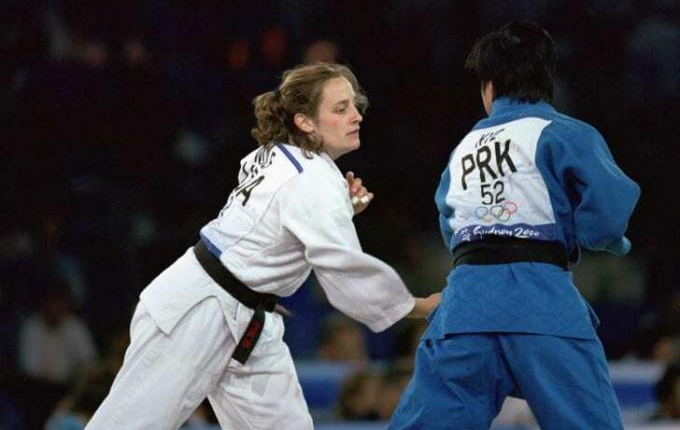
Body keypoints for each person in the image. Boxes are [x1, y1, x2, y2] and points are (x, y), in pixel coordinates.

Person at [85, 62, 439, 430]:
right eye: (340, 109)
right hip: (200, 311)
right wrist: (414, 307)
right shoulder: (314, 180)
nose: (356, 116)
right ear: (304, 121)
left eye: (355, 105)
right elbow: (341, 267)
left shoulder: (278, 153)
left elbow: (275, 224)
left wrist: (339, 209)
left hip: (247, 319)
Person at [389, 21, 640, 430]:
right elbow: (609, 211)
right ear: (546, 81)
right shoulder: (562, 132)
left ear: (488, 87)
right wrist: (606, 240)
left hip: (463, 313)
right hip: (541, 306)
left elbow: (450, 225)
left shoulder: (463, 148)